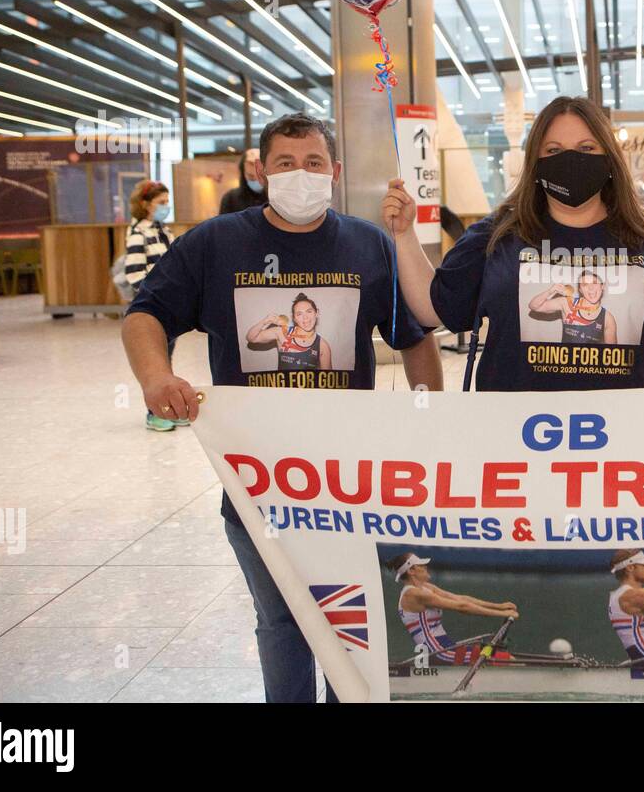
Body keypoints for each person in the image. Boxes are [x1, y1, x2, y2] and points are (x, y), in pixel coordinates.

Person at [122, 111, 443, 702]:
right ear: (261, 172)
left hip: (352, 480)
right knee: (282, 620)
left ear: (336, 172)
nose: (301, 174)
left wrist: (428, 416)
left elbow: (415, 335)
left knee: (353, 622)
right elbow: (146, 312)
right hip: (258, 478)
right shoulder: (216, 243)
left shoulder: (367, 245)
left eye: (314, 163)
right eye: (286, 164)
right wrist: (155, 375)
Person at [382, 95, 644, 391]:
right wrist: (404, 234)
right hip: (517, 438)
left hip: (623, 438)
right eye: (553, 150)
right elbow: (432, 309)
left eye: (587, 148)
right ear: (535, 161)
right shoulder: (497, 234)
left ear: (609, 158)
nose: (570, 160)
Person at [387, 552, 518, 664]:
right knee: (504, 659)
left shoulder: (426, 587)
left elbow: (460, 599)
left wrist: (499, 606)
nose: (426, 567)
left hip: (445, 647)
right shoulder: (413, 594)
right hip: (437, 652)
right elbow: (461, 607)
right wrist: (500, 614)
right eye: (421, 565)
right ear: (411, 571)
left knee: (496, 653)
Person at [125, 181, 180, 431]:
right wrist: (151, 300)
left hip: (170, 306)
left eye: (167, 202)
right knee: (155, 363)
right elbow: (134, 273)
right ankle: (155, 413)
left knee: (166, 361)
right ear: (146, 205)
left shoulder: (164, 231)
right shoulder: (138, 233)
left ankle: (170, 407)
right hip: (153, 308)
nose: (165, 207)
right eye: (161, 203)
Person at [527, 269, 619, 344]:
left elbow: (611, 355)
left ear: (602, 286)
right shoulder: (567, 304)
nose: (591, 288)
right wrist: (550, 291)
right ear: (580, 290)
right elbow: (534, 306)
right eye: (585, 284)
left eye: (594, 283)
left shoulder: (608, 318)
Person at [245, 292, 333, 370]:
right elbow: (252, 338)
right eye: (299, 314)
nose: (305, 318)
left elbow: (328, 381)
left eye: (309, 311)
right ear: (294, 318)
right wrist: (265, 321)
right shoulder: (282, 333)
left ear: (316, 313)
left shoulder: (323, 346)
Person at [219, 149, 267, 215]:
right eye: (251, 177)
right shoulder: (230, 198)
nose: (257, 180)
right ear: (243, 173)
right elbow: (223, 223)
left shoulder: (275, 198)